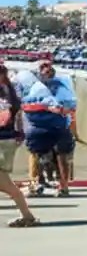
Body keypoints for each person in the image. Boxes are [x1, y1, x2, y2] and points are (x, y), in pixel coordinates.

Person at [20, 61, 76, 197]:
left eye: (49, 69)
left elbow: (71, 106)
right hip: (40, 126)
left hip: (58, 125)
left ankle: (63, 186)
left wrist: (59, 110)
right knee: (37, 155)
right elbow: (25, 105)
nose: (47, 71)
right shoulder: (32, 88)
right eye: (44, 69)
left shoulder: (62, 86)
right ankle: (37, 183)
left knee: (61, 156)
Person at [0, 68, 38, 226]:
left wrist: (18, 134)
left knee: (5, 184)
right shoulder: (9, 92)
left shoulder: (4, 96)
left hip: (3, 141)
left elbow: (6, 118)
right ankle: (27, 215)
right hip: (8, 140)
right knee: (5, 183)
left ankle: (28, 216)